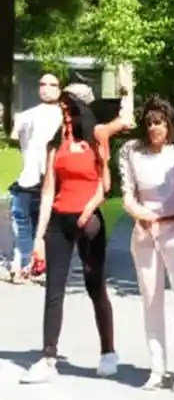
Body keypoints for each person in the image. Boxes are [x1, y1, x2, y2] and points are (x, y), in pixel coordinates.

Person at [21, 90, 117, 384]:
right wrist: (38, 238)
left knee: (94, 285)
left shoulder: (95, 139)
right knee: (54, 289)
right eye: (61, 110)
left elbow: (106, 184)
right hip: (59, 219)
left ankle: (108, 352)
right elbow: (49, 189)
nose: (64, 115)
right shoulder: (55, 145)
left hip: (88, 218)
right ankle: (48, 357)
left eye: (68, 109)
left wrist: (89, 210)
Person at [118, 96, 174, 390]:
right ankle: (157, 366)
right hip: (144, 232)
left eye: (159, 122)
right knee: (151, 300)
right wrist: (141, 214)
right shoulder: (132, 152)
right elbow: (127, 195)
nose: (154, 128)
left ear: (169, 125)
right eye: (150, 123)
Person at [6, 74, 63, 284]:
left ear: (59, 89)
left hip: (51, 180)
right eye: (42, 84)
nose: (46, 88)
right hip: (28, 178)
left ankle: (36, 265)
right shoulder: (26, 116)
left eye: (52, 84)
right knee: (23, 223)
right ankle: (22, 264)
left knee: (46, 226)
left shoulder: (63, 117)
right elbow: (15, 139)